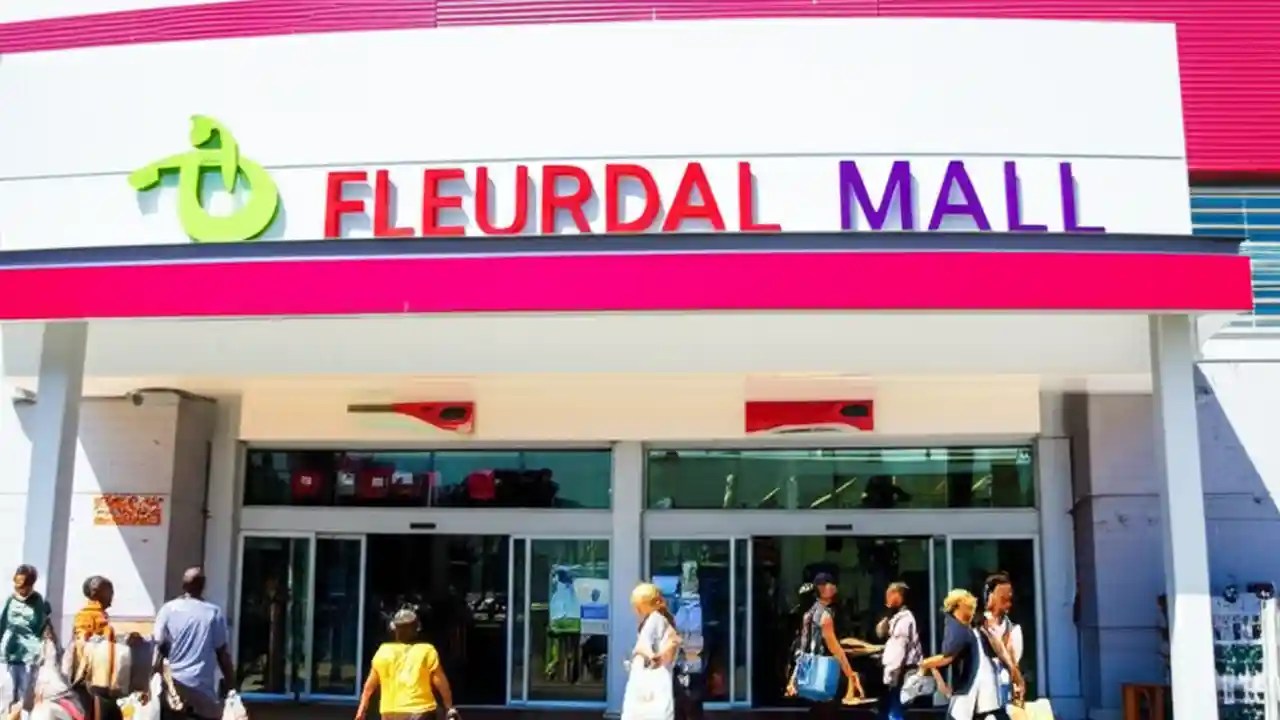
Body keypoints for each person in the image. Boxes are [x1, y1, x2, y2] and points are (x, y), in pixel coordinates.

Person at [917, 589, 1023, 720]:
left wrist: (926, 665)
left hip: (973, 689)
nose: (972, 611)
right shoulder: (958, 628)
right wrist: (926, 666)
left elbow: (947, 657)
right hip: (970, 688)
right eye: (969, 607)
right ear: (959, 606)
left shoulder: (966, 629)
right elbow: (948, 657)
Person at [153, 567, 236, 720]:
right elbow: (222, 653)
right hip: (202, 691)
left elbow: (159, 648)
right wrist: (232, 687)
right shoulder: (213, 613)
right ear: (203, 586)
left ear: (183, 586)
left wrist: (151, 682)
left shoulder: (168, 610)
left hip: (173, 689)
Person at [356, 606, 458, 720]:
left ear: (394, 629)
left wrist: (362, 710)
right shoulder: (426, 650)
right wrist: (449, 708)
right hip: (421, 711)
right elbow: (440, 682)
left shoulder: (383, 651)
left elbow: (369, 687)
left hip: (391, 713)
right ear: (416, 628)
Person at [794, 574, 863, 719]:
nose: (834, 587)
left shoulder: (809, 612)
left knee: (817, 708)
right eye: (829, 583)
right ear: (820, 588)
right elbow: (834, 646)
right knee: (828, 709)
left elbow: (804, 644)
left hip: (809, 670)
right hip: (825, 670)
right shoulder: (825, 615)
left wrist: (795, 675)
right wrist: (850, 673)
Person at [1, 565, 55, 720]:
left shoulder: (38, 601)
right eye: (17, 586)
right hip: (9, 652)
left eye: (23, 587)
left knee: (26, 694)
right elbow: (2, 623)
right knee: (7, 692)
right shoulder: (10, 600)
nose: (20, 590)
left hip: (29, 654)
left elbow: (40, 626)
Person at [624, 583, 679, 720]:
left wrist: (645, 655)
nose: (635, 609)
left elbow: (643, 646)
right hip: (661, 683)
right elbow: (674, 643)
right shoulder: (664, 620)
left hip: (649, 687)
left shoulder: (654, 620)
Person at [876, 581, 922, 720]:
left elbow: (900, 649)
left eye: (890, 595)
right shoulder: (894, 617)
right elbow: (880, 633)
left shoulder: (905, 619)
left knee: (896, 711)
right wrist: (887, 614)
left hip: (901, 672)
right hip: (897, 672)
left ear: (898, 596)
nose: (887, 598)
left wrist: (894, 674)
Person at [982, 574, 1024, 709]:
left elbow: (1014, 658)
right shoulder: (979, 623)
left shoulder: (1012, 628)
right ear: (990, 596)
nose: (1007, 603)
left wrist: (1017, 681)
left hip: (1005, 692)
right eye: (1003, 598)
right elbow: (994, 641)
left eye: (1009, 598)